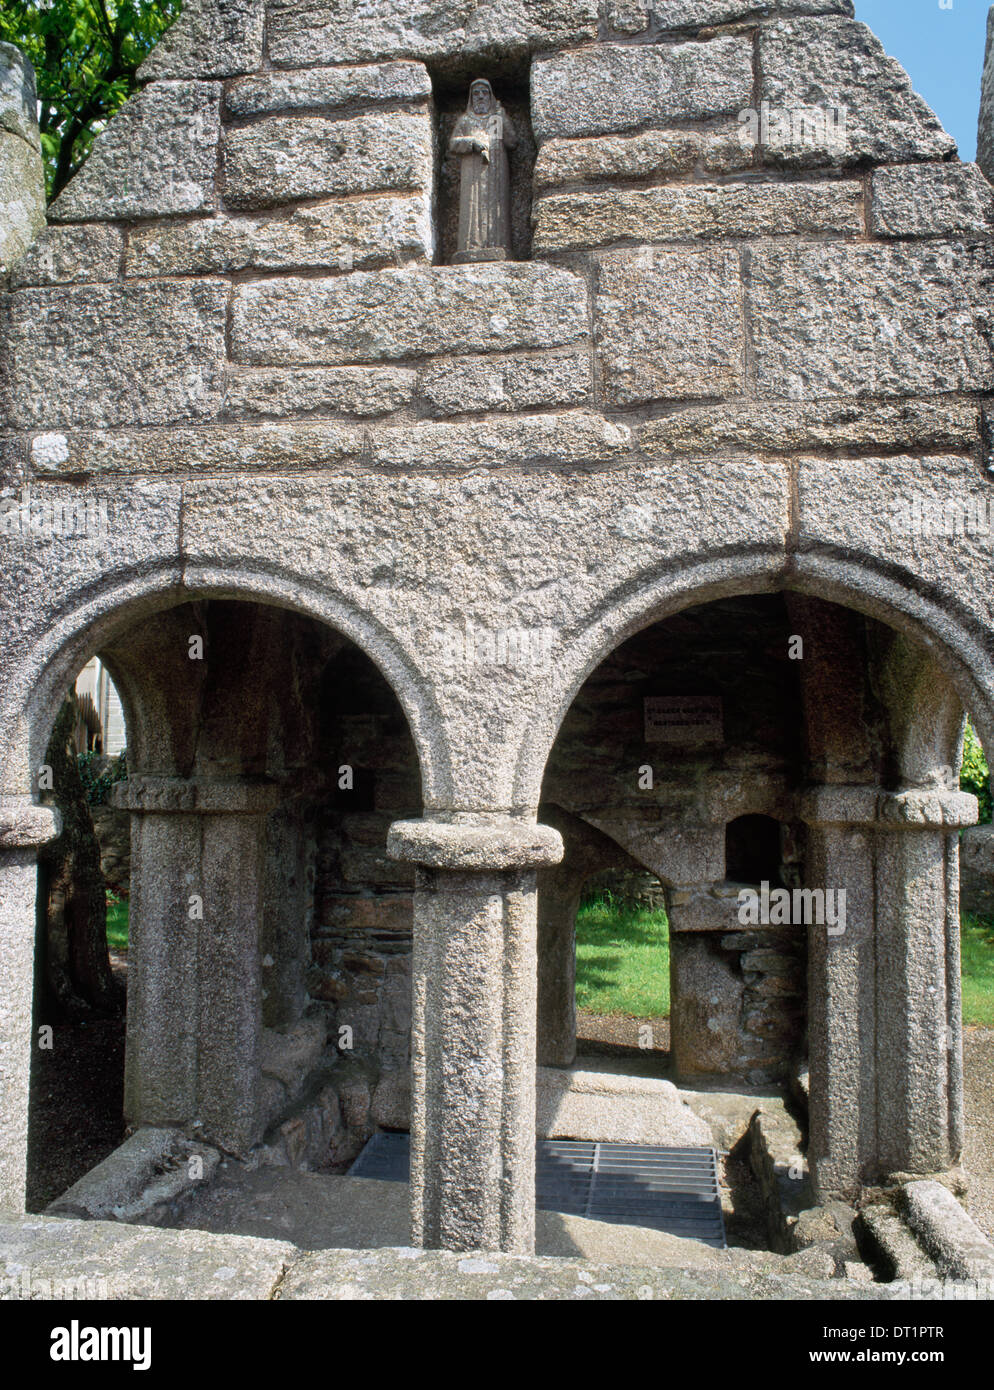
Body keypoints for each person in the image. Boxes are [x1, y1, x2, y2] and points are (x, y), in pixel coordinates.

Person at [449, 78, 517, 262]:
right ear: (471, 98)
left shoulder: (495, 119)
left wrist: (502, 118)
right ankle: (470, 246)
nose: (480, 96)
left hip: (494, 170)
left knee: (495, 205)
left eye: (484, 92)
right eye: (476, 93)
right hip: (472, 171)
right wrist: (472, 142)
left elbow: (511, 142)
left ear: (491, 96)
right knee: (472, 207)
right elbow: (453, 144)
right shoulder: (466, 120)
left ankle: (496, 245)